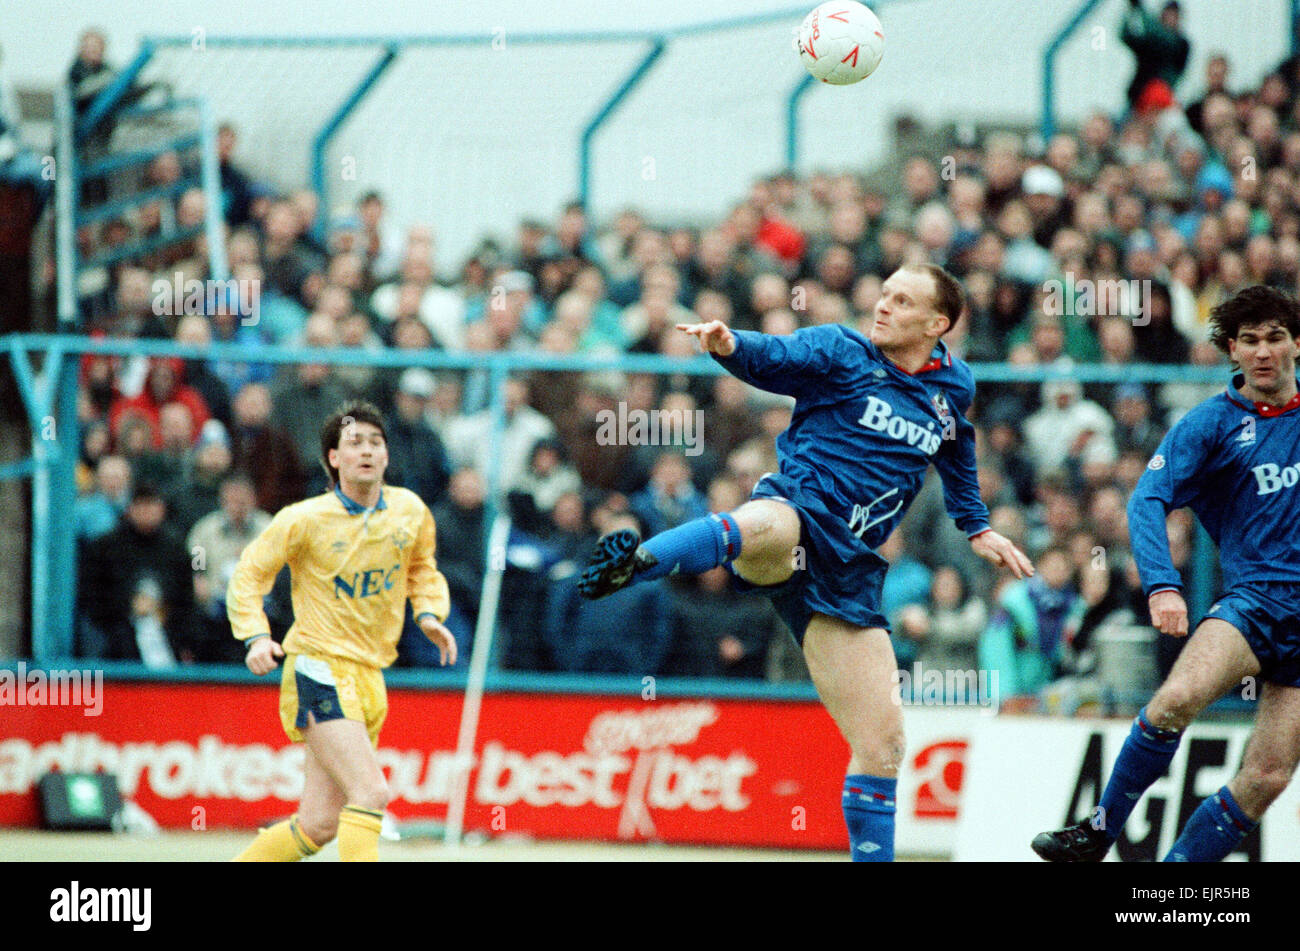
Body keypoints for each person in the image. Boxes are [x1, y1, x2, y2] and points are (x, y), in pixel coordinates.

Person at [577, 263, 1034, 861]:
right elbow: (775, 357)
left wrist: (976, 525)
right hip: (797, 519)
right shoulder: (841, 348)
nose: (883, 304)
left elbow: (956, 449)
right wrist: (729, 345)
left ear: (937, 323)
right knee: (769, 520)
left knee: (885, 745)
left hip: (849, 573)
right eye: (884, 291)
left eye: (902, 299)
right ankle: (637, 562)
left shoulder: (954, 387)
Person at [1032, 285, 1300, 862]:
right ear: (1231, 350)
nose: (1262, 352)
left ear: (1296, 344)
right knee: (1176, 698)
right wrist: (1162, 584)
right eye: (1249, 340)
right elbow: (1147, 499)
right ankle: (1098, 832)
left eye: (1275, 338)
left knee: (1269, 775)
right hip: (1255, 601)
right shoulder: (1210, 424)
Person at [226, 400, 456, 861]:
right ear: (334, 458)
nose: (367, 450)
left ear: (387, 455)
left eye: (376, 442)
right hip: (318, 667)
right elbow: (249, 573)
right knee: (370, 793)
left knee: (317, 826)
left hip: (370, 674)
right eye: (355, 443)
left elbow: (422, 568)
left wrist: (429, 614)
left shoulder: (409, 512)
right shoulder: (304, 518)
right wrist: (255, 635)